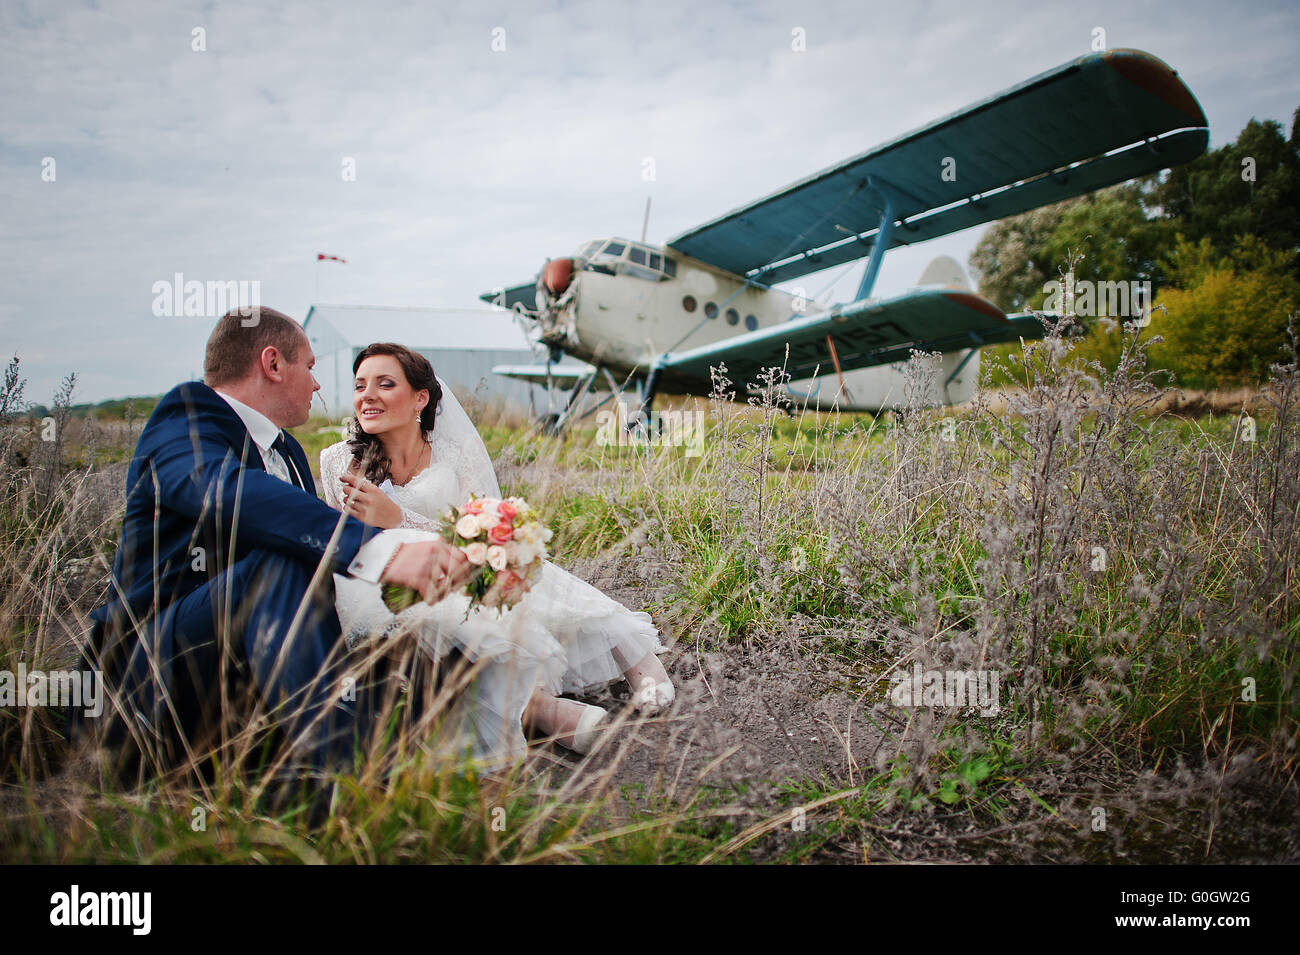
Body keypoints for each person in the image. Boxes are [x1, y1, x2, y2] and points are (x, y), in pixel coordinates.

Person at [74, 308, 475, 786]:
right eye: (310, 366)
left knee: (427, 648)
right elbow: (232, 494)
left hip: (245, 695)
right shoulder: (184, 420)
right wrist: (383, 552)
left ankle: (340, 757)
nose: (318, 384)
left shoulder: (286, 451)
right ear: (272, 363)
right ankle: (345, 782)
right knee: (276, 566)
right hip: (147, 692)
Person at [319, 343, 674, 761]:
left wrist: (400, 518)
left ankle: (636, 656)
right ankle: (541, 708)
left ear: (420, 398)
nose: (367, 395)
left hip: (465, 565)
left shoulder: (455, 453)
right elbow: (336, 545)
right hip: (391, 584)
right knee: (439, 617)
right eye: (360, 385)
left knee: (511, 563)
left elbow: (488, 534)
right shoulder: (339, 460)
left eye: (385, 384)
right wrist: (389, 530)